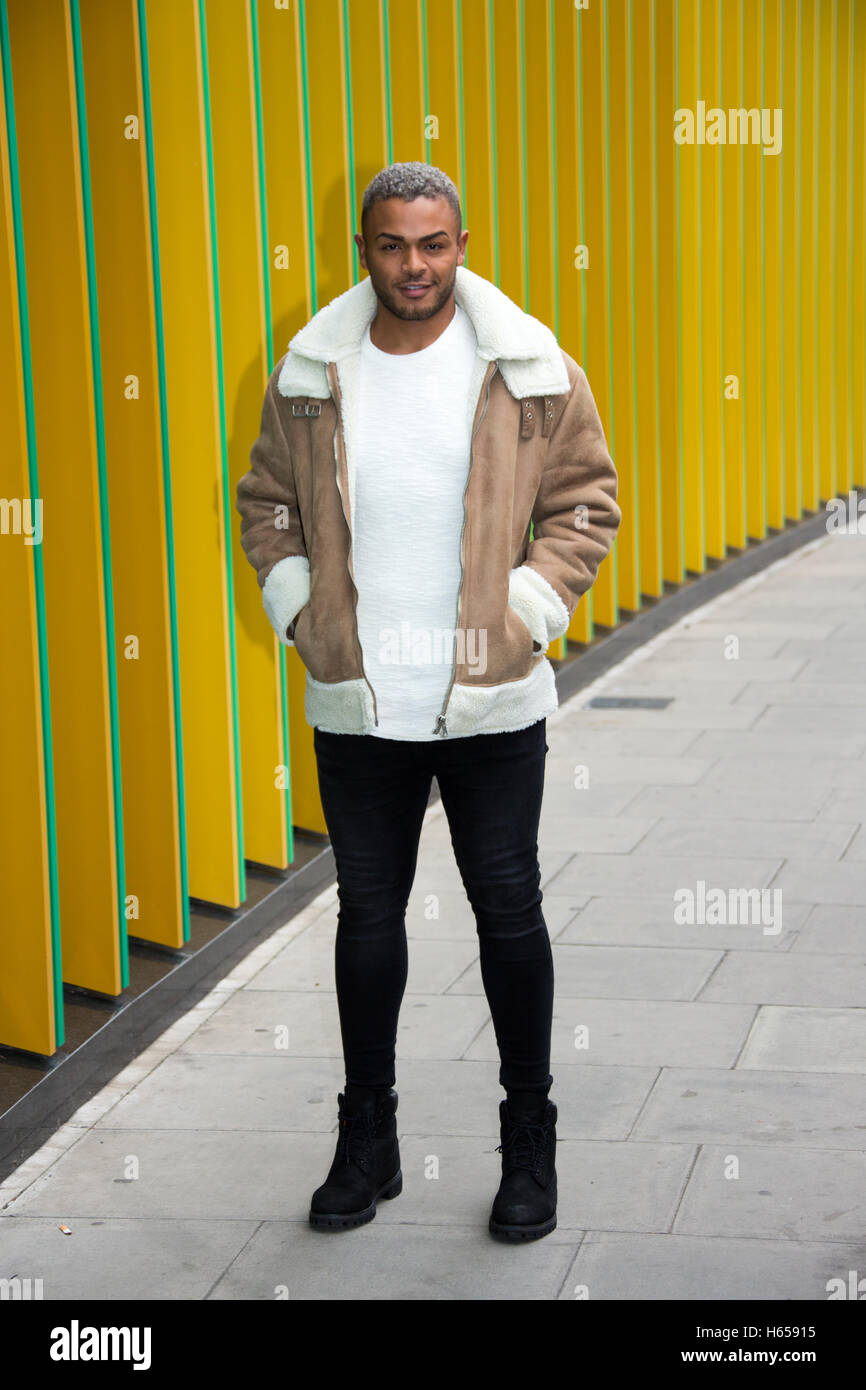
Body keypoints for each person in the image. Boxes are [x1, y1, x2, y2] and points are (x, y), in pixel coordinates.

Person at [236, 162, 621, 1242]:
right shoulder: (314, 369)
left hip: (488, 700)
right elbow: (266, 500)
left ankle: (527, 1146)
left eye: (435, 243)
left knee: (508, 913)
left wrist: (527, 610)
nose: (415, 265)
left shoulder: (527, 365)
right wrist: (304, 614)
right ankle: (368, 1140)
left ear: (460, 242)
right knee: (366, 922)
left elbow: (585, 501)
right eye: (394, 244)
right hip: (362, 704)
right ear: (362, 247)